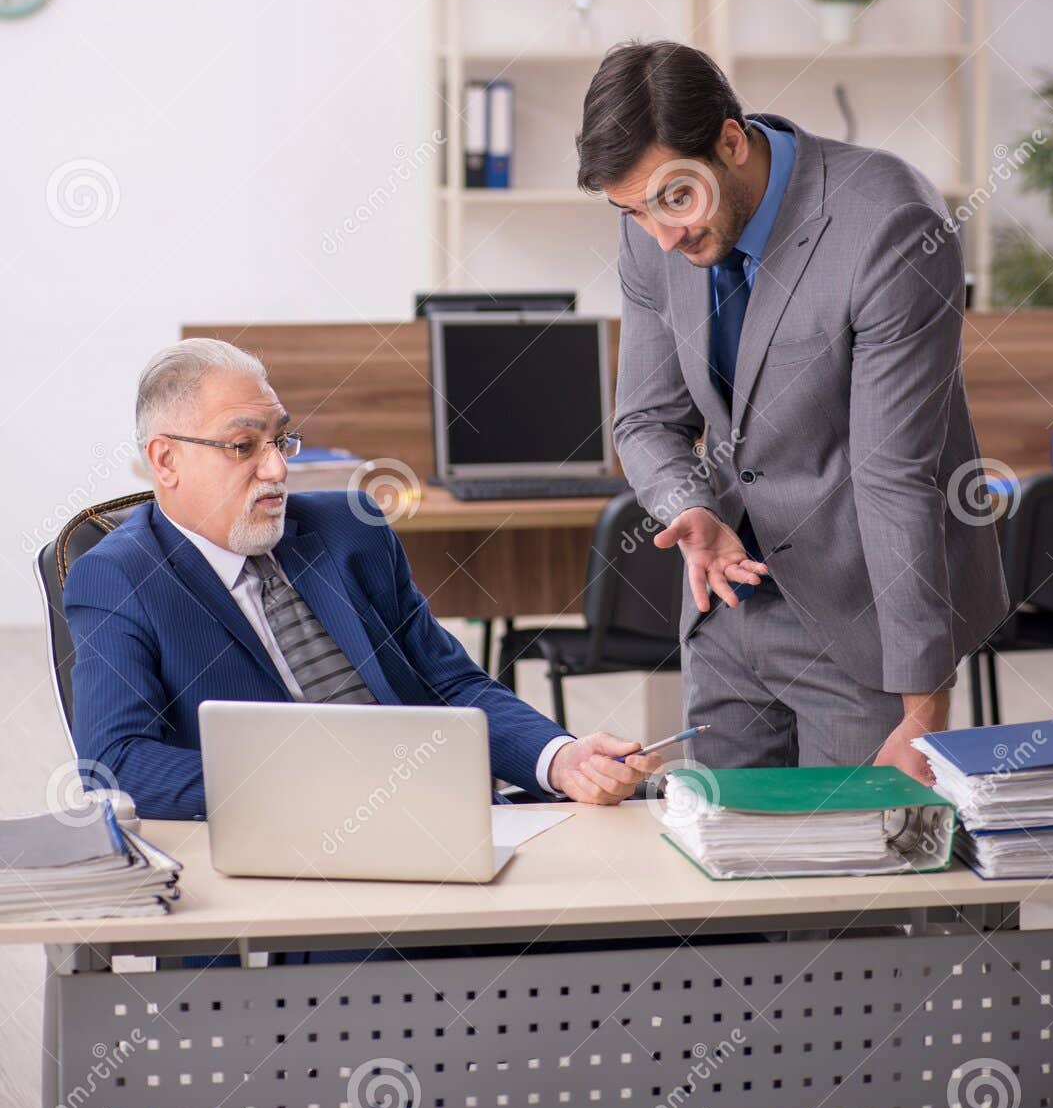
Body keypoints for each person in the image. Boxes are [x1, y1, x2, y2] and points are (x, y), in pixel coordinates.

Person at [576, 40, 1009, 782]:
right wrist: (692, 505)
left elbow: (894, 476)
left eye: (675, 199)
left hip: (863, 618)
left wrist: (921, 712)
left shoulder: (888, 223)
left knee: (859, 882)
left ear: (731, 141)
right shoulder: (650, 231)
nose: (663, 235)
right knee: (725, 870)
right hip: (728, 609)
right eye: (633, 210)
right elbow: (646, 420)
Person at [66, 338, 659, 821]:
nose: (276, 468)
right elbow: (118, 763)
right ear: (165, 460)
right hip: (294, 853)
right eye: (243, 445)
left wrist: (560, 759)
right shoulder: (117, 577)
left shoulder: (350, 528)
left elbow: (451, 684)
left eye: (280, 439)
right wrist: (331, 783)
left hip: (444, 821)